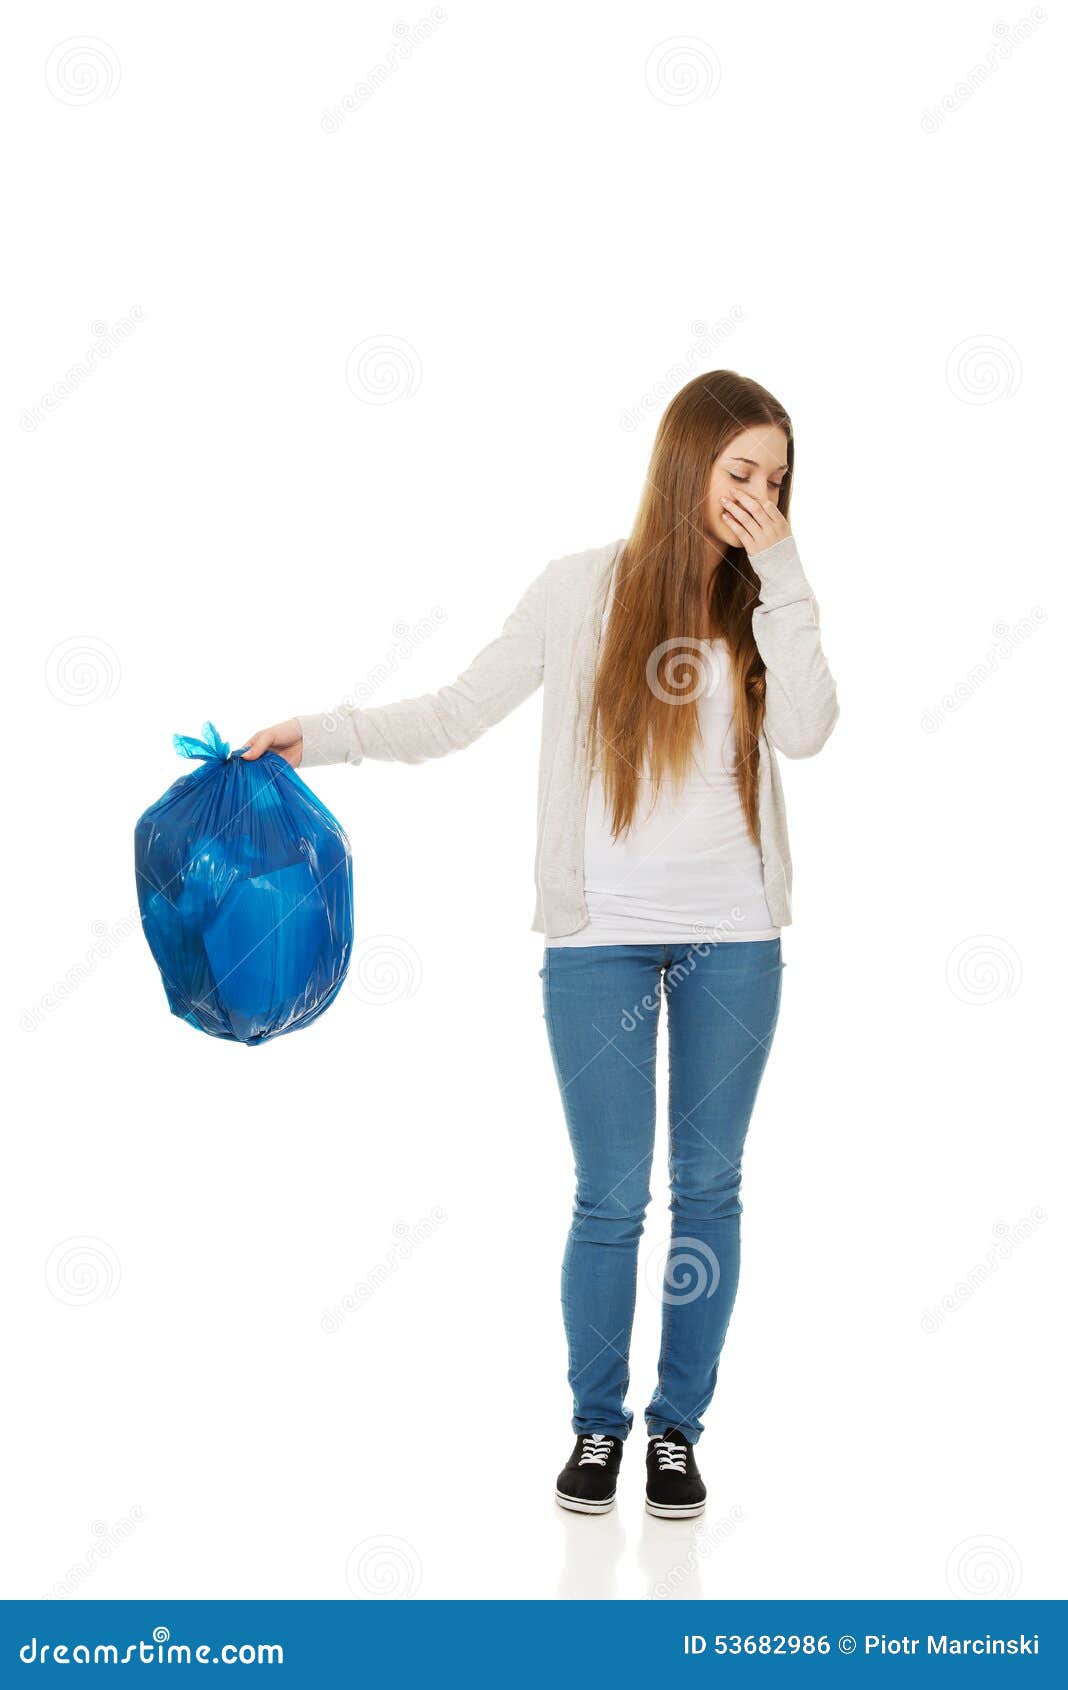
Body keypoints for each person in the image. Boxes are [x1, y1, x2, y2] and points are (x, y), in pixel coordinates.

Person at [243, 370, 840, 1520]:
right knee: (610, 1193)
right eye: (741, 473)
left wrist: (789, 579)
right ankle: (596, 1425)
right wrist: (320, 735)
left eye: (778, 481)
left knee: (709, 1188)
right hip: (597, 941)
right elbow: (457, 711)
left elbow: (811, 733)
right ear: (687, 463)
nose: (760, 499)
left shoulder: (769, 602)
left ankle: (677, 1430)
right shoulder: (579, 591)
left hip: (734, 940)